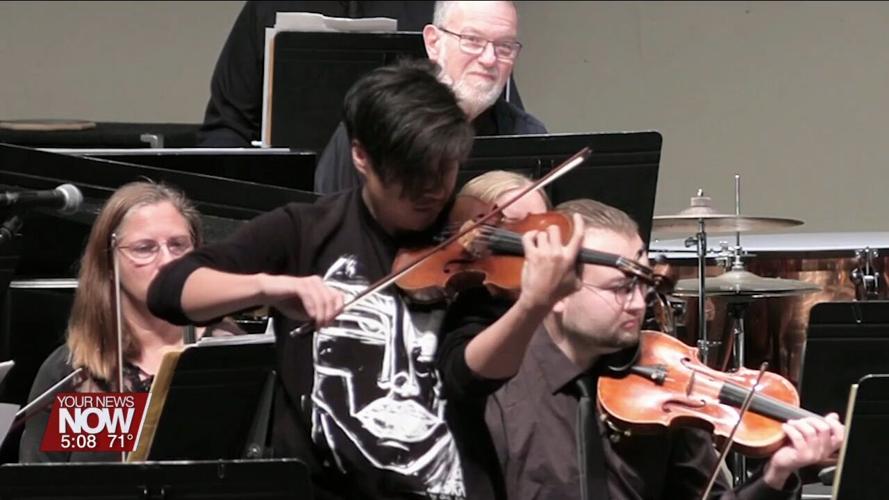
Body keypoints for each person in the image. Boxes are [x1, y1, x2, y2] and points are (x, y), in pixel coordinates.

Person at [148, 58, 581, 500]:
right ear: (361, 156)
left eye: (444, 169)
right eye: (411, 176)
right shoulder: (305, 231)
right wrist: (269, 286)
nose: (432, 190)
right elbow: (169, 291)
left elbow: (466, 378)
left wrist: (531, 306)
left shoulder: (469, 242)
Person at [479, 198, 846, 500]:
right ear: (556, 290)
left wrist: (776, 474)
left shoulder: (666, 383)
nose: (639, 303)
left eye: (644, 284)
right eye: (620, 288)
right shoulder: (496, 389)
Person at [19, 181, 241, 463]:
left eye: (178, 245)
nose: (167, 262)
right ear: (108, 263)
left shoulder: (233, 357)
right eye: (145, 248)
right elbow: (37, 486)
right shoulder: (70, 372)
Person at [314, 0, 546, 194]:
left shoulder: (528, 134)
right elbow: (331, 227)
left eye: (504, 47)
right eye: (472, 40)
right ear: (434, 43)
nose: (489, 59)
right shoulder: (372, 123)